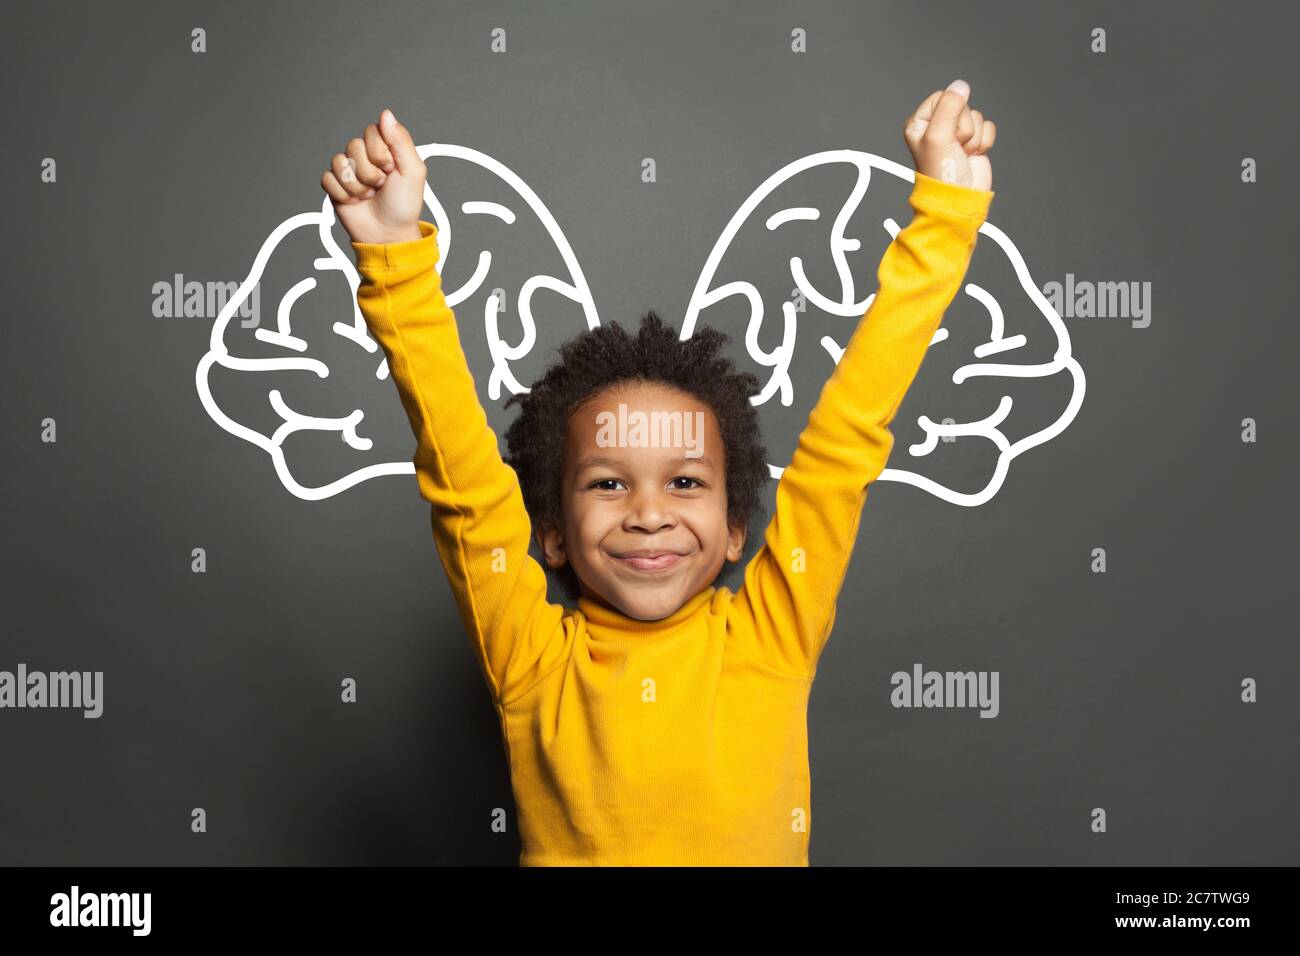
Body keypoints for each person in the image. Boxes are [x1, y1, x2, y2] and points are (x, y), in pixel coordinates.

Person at [319, 79, 996, 865]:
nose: (648, 513)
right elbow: (462, 477)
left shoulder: (771, 638)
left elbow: (846, 440)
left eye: (685, 482)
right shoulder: (533, 661)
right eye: (608, 482)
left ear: (737, 526)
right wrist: (394, 257)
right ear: (552, 533)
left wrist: (945, 215)